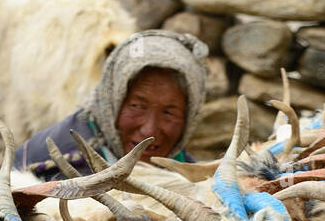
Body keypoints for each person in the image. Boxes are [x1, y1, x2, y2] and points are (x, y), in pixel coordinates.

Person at [15, 30, 208, 180]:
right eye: (137, 106)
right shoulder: (55, 163)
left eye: (169, 113)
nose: (150, 130)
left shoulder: (184, 170)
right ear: (111, 101)